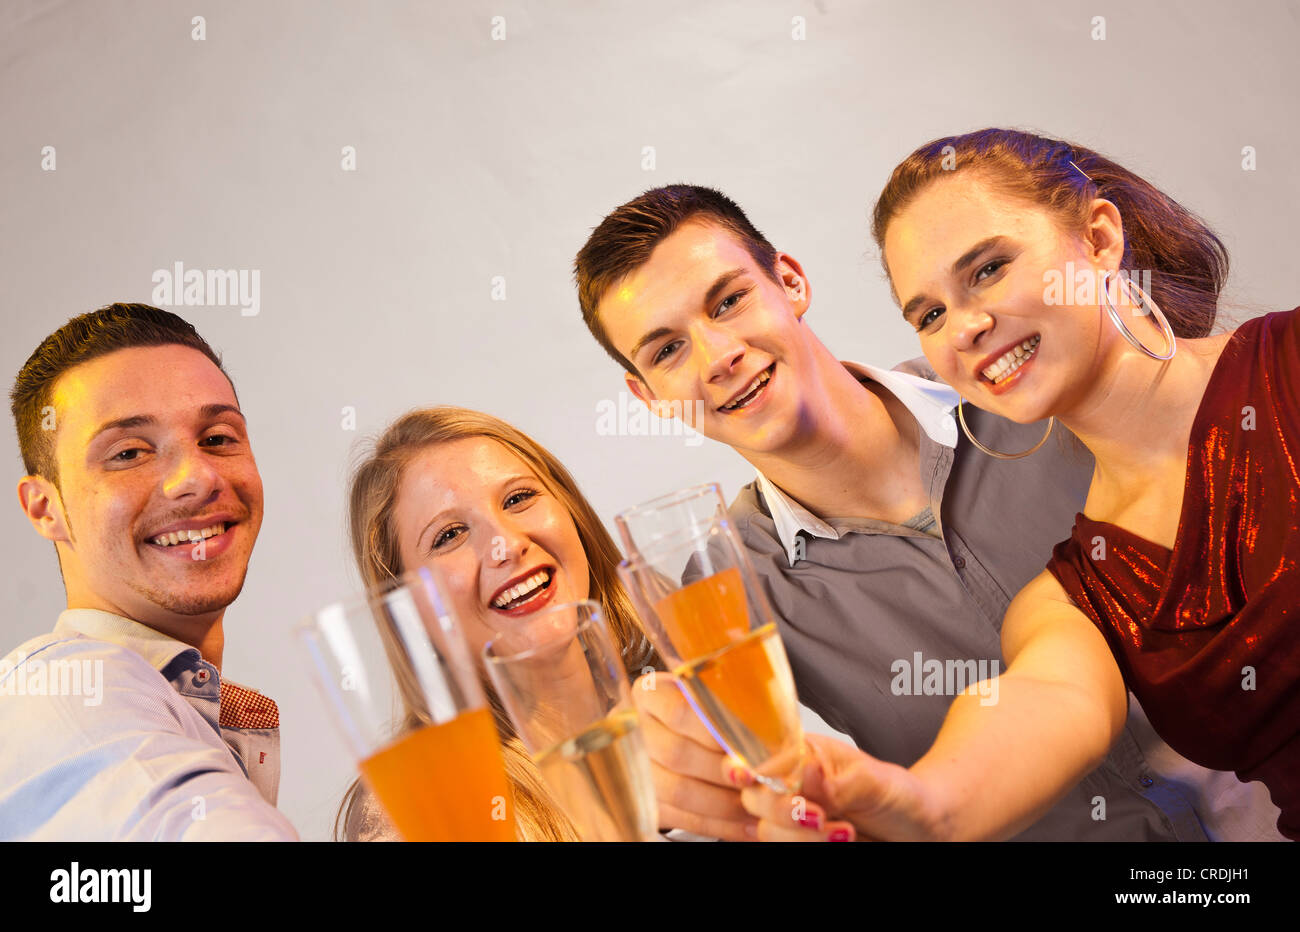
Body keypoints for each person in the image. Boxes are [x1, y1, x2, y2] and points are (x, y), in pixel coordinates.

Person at [573, 184, 1286, 841]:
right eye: (667, 350)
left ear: (790, 282)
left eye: (727, 301)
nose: (719, 354)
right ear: (650, 397)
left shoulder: (1020, 377)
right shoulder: (721, 599)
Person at [0, 303, 298, 840]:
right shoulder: (63, 696)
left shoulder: (191, 711)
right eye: (130, 452)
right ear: (46, 508)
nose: (197, 477)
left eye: (217, 438)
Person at [337, 406, 656, 841]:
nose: (506, 544)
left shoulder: (694, 692)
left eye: (517, 499)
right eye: (449, 535)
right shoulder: (418, 810)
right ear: (408, 612)